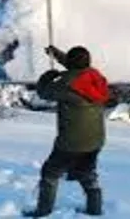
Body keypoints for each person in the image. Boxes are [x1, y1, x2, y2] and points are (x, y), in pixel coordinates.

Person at [23, 45, 110, 217]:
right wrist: (56, 55)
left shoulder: (66, 86)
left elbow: (44, 92)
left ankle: (43, 212)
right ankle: (95, 209)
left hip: (71, 142)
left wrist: (47, 77)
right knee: (86, 173)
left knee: (50, 173)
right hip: (95, 140)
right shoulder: (94, 76)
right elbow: (74, 68)